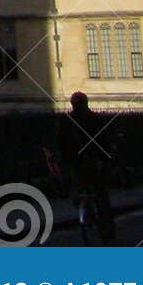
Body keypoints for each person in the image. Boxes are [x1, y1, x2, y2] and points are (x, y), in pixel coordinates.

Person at [58, 91, 116, 244]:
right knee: (102, 197)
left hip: (77, 165)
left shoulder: (67, 120)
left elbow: (61, 144)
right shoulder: (96, 120)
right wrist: (104, 159)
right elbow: (105, 142)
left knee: (82, 188)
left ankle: (83, 209)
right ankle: (107, 231)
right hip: (93, 164)